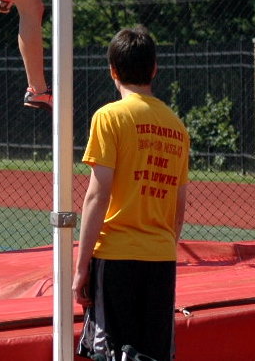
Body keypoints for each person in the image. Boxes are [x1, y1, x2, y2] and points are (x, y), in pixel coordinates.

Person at [73, 26, 190, 361]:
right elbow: (179, 207)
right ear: (154, 69)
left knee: (111, 352)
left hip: (116, 257)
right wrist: (163, 245)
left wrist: (81, 267)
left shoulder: (109, 117)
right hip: (161, 257)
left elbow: (98, 195)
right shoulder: (176, 127)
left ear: (113, 71)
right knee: (153, 354)